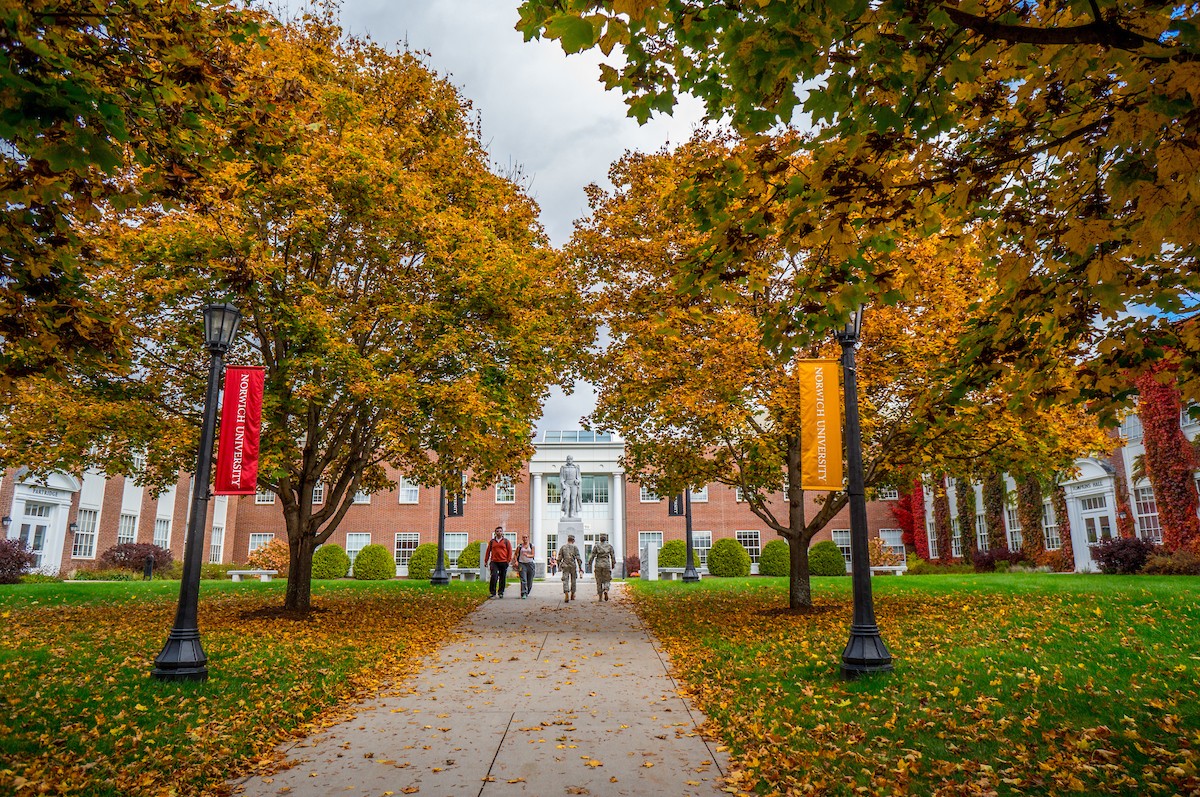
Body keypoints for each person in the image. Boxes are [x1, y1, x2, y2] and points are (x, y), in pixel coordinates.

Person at [484, 527, 512, 599]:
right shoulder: (492, 542)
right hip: (494, 562)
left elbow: (510, 551)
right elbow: (488, 552)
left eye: (500, 531)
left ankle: (501, 592)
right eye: (497, 531)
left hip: (503, 562)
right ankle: (492, 593)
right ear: (495, 533)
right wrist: (486, 561)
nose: (499, 532)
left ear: (502, 532)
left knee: (502, 577)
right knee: (494, 576)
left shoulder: (506, 541)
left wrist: (508, 560)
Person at [588, 533, 617, 602]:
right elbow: (613, 556)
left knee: (599, 580)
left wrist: (589, 564)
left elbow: (592, 556)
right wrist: (613, 564)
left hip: (598, 564)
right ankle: (606, 589)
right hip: (606, 564)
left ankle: (600, 597)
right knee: (607, 579)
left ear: (600, 539)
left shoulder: (596, 546)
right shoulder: (609, 546)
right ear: (605, 539)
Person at [556, 534, 581, 603]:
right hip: (573, 565)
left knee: (565, 580)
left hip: (565, 565)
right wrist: (580, 568)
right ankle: (573, 594)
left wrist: (559, 566)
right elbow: (578, 558)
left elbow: (559, 558)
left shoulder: (563, 547)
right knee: (573, 580)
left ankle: (566, 592)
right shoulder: (575, 547)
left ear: (568, 540)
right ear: (573, 540)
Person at [513, 533, 535, 599]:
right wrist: (516, 561)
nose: (525, 539)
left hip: (530, 564)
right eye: (523, 537)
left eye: (526, 537)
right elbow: (515, 554)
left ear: (528, 538)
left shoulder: (531, 546)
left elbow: (533, 555)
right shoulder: (520, 546)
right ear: (522, 538)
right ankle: (523, 593)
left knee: (530, 580)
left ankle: (527, 591)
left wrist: (528, 555)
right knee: (523, 579)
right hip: (522, 564)